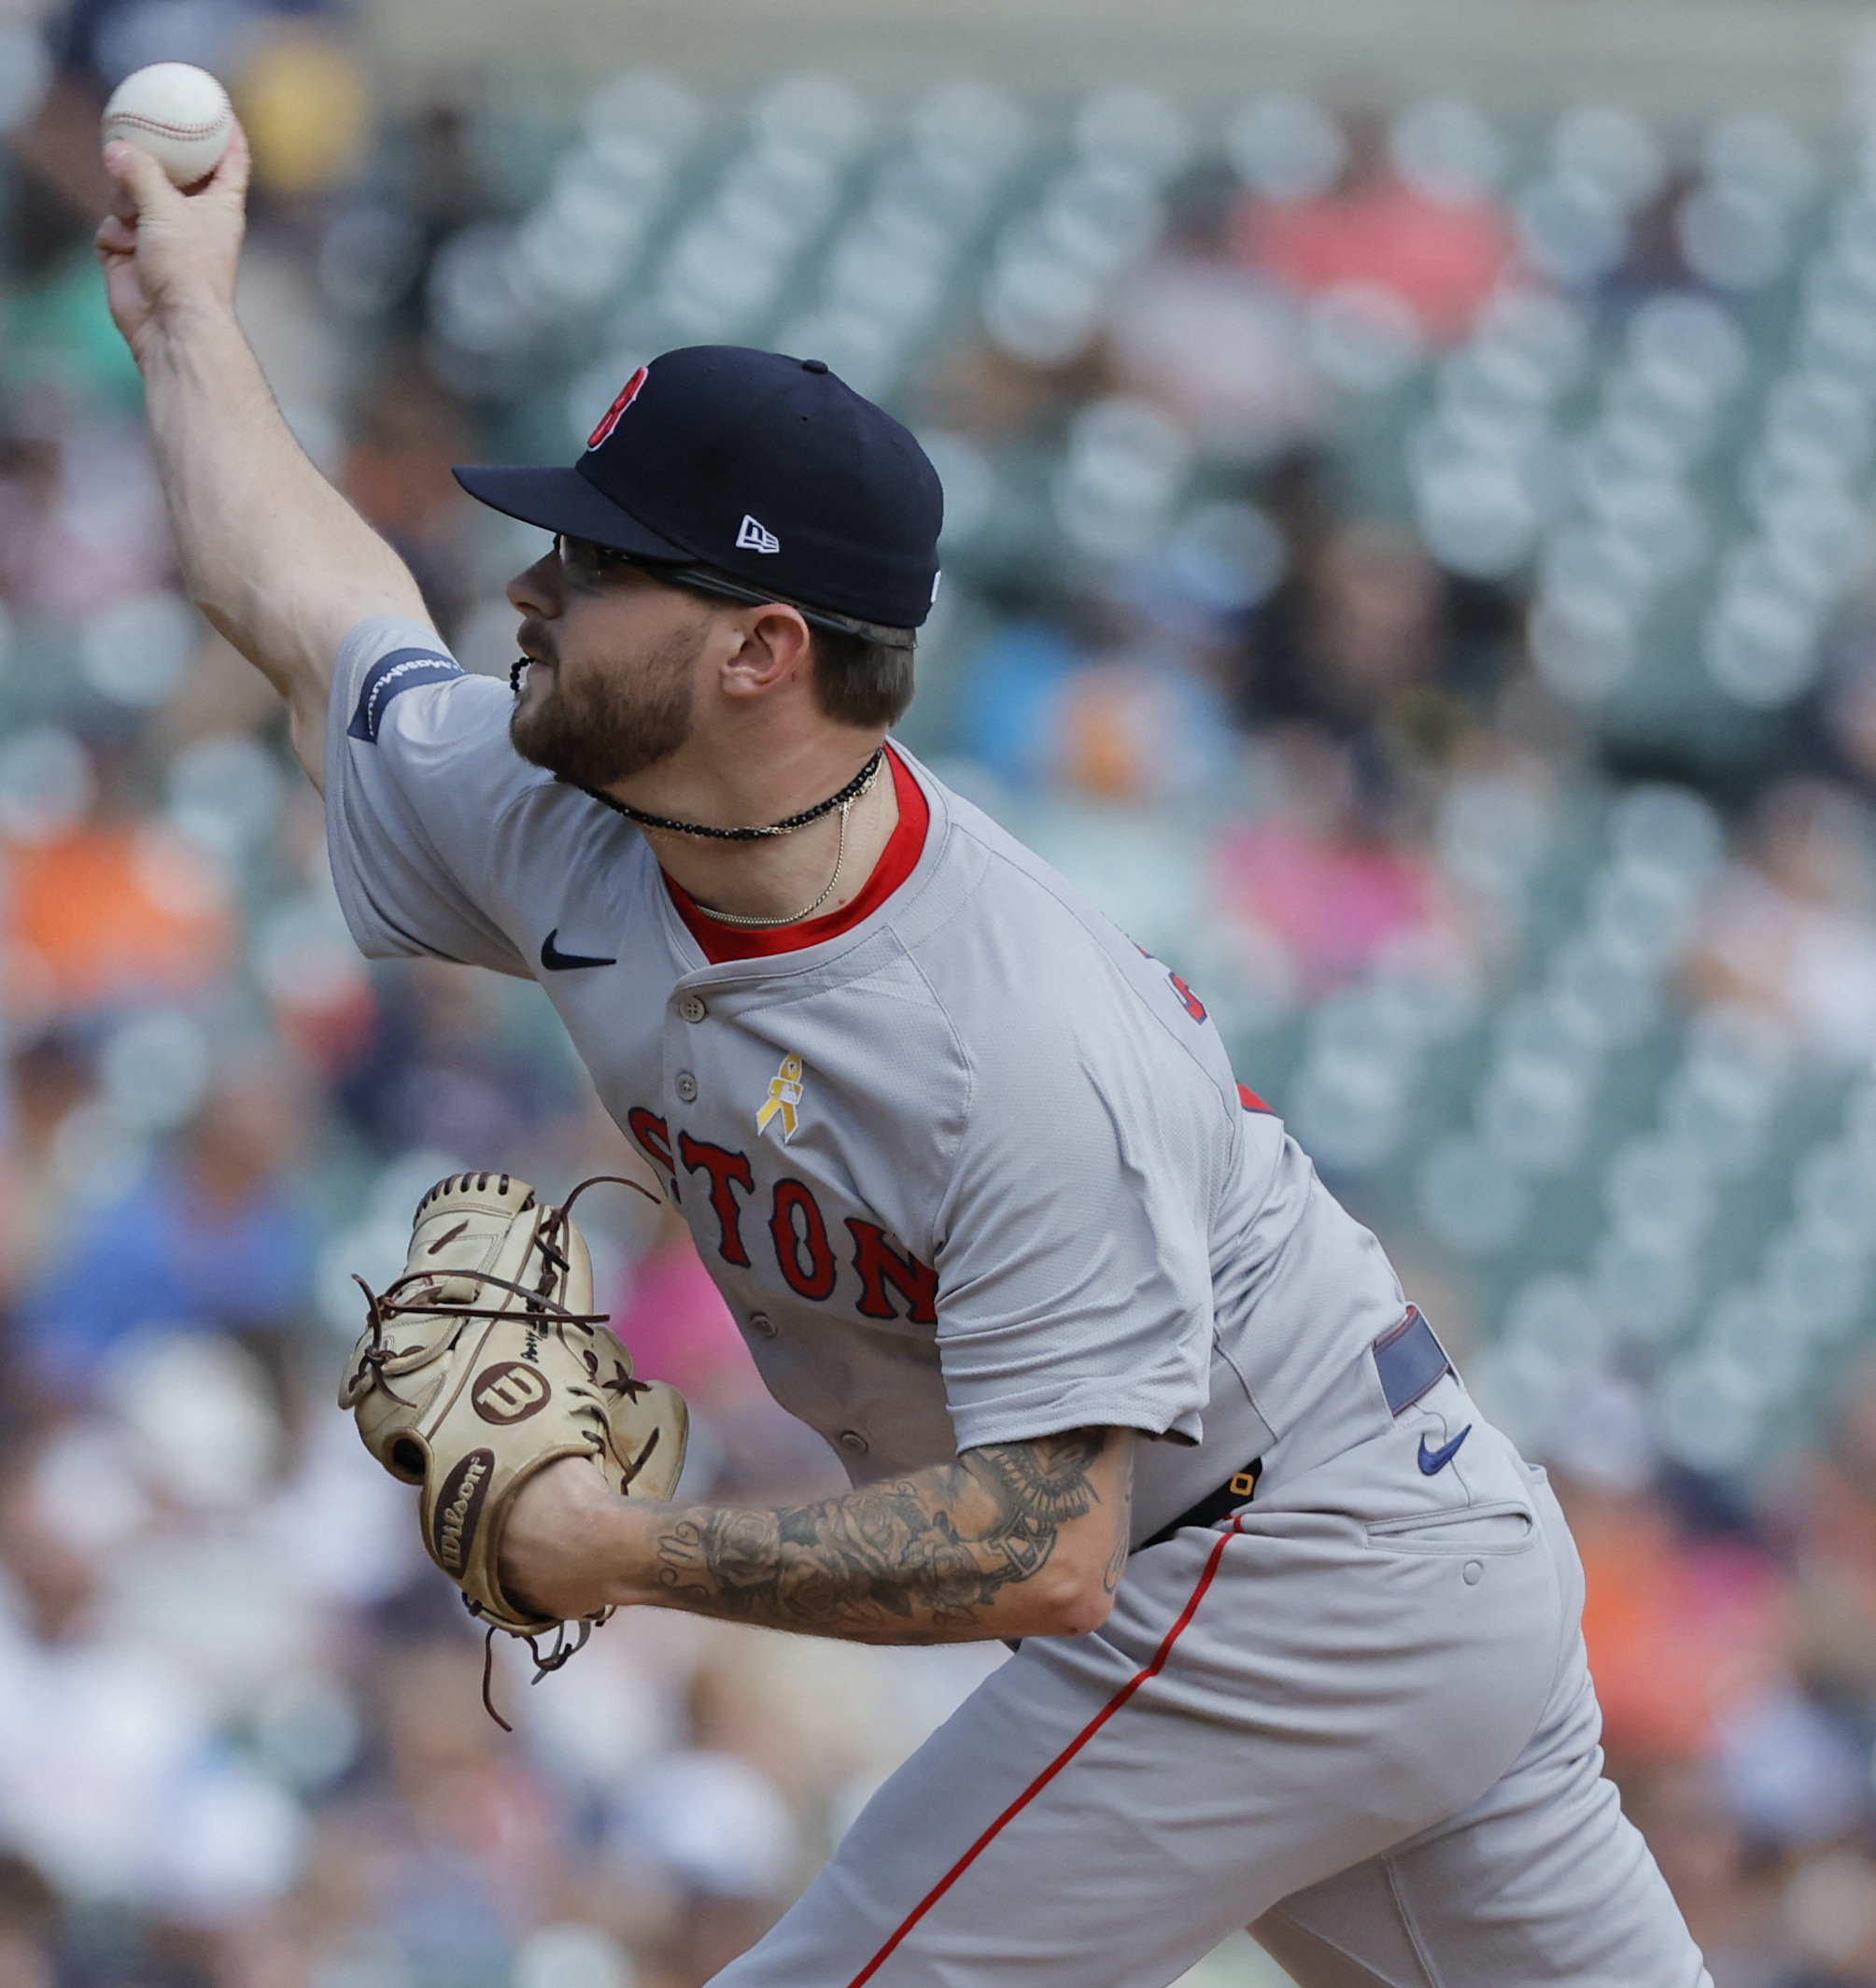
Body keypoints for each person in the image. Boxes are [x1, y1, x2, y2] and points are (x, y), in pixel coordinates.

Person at [93, 130, 1708, 1984]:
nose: (530, 592)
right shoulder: (569, 806)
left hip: (1272, 1564)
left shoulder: (1006, 1033)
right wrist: (187, 315)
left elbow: (1041, 1549)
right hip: (1381, 1568)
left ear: (759, 652)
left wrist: (612, 1548)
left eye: (598, 562)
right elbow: (317, 621)